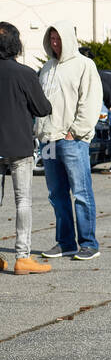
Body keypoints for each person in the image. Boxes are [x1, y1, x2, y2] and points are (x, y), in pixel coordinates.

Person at [35, 21, 103, 261]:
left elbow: (91, 101)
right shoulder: (47, 68)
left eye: (58, 39)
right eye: (51, 39)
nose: (55, 43)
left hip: (72, 140)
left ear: (69, 39)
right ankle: (65, 243)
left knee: (81, 192)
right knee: (56, 193)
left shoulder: (85, 65)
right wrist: (39, 132)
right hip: (49, 141)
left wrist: (75, 132)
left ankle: (88, 243)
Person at [0, 22, 53, 274]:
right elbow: (42, 108)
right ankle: (23, 257)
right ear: (16, 45)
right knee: (23, 201)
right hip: (18, 143)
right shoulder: (24, 73)